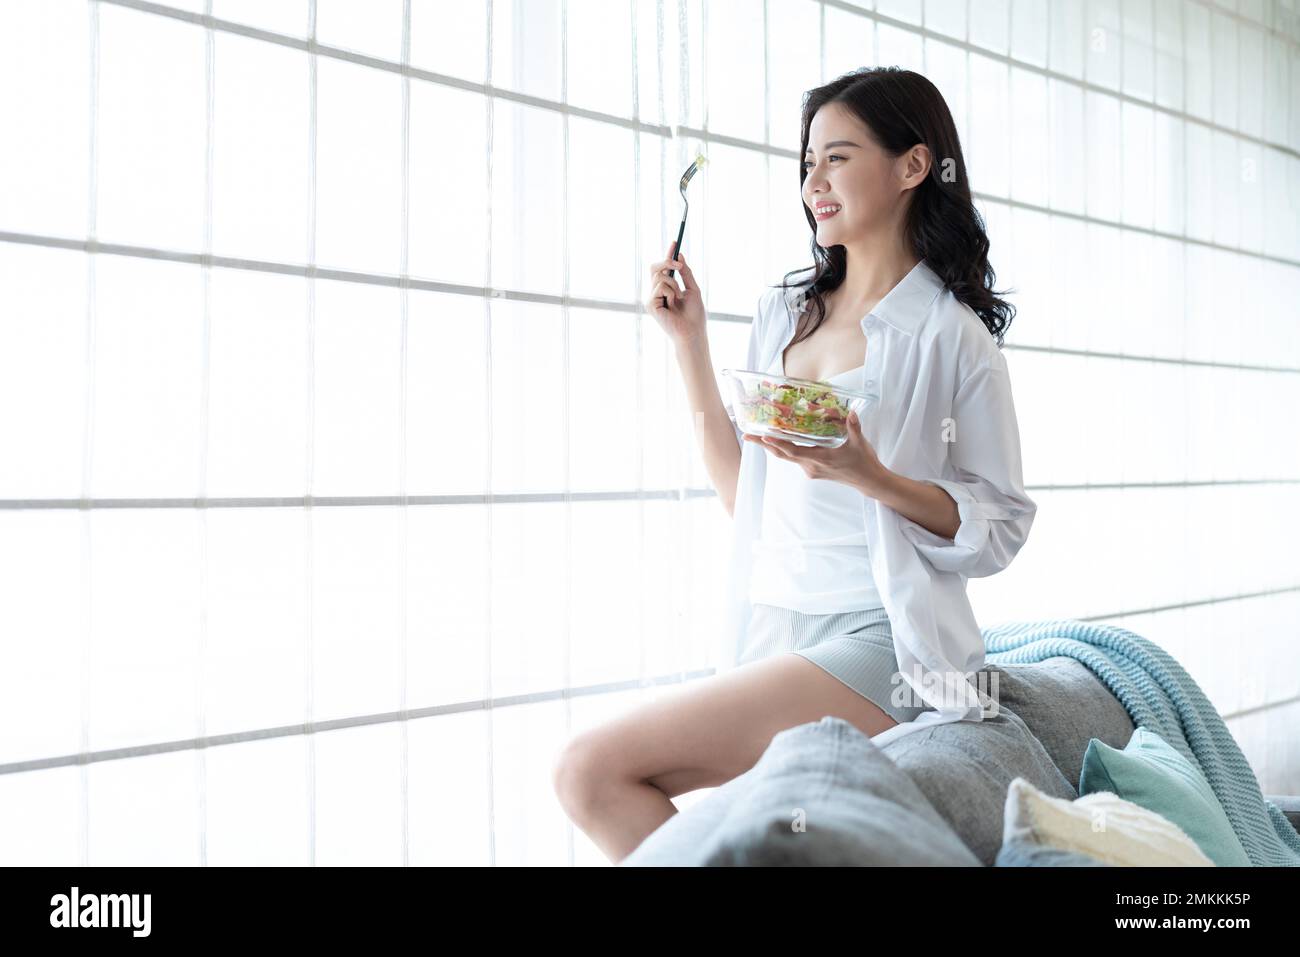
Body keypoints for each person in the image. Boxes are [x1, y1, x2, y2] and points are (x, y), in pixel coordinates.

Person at [552, 66, 1036, 865]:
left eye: (837, 158)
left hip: (881, 638)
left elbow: (1001, 526)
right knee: (641, 797)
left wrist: (866, 471)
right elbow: (750, 495)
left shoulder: (954, 338)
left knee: (590, 768)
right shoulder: (785, 311)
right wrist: (690, 345)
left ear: (914, 166)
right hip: (774, 625)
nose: (812, 181)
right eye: (807, 162)